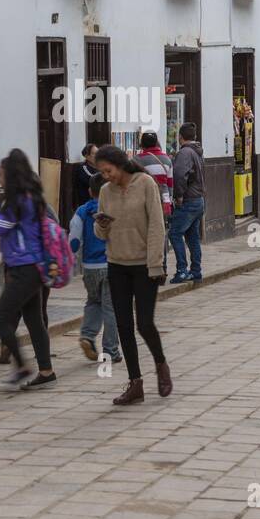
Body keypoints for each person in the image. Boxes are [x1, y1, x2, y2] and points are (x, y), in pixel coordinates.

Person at [93, 145, 171, 406]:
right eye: (102, 172)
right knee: (123, 325)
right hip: (117, 264)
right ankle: (135, 382)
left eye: (108, 170)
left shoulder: (146, 183)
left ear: (120, 164)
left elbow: (157, 226)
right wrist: (101, 225)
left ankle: (161, 365)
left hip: (145, 265)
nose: (106, 176)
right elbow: (101, 233)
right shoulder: (105, 192)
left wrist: (155, 264)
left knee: (144, 323)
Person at [0, 150, 57, 390]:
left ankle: (22, 365)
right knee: (34, 321)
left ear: (10, 175)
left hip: (24, 268)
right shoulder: (32, 197)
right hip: (34, 266)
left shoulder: (18, 202)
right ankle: (46, 371)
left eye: (0, 173)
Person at [70, 173, 121, 365]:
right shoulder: (113, 210)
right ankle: (111, 350)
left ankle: (88, 335)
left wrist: (73, 257)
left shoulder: (82, 212)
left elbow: (74, 241)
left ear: (89, 191)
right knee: (111, 308)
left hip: (89, 267)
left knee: (93, 301)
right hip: (110, 265)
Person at [168, 123, 206, 284]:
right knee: (192, 236)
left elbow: (179, 174)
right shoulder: (197, 151)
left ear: (180, 137)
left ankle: (182, 270)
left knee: (175, 233)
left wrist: (178, 195)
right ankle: (196, 270)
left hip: (189, 200)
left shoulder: (185, 153)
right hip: (198, 200)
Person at [134, 132, 174, 218]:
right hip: (163, 200)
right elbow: (170, 183)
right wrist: (169, 200)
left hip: (144, 201)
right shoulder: (167, 159)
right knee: (160, 228)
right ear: (156, 143)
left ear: (142, 144)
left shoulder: (137, 159)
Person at [72, 144, 99, 210]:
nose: (97, 156)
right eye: (94, 154)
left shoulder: (99, 167)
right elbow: (93, 181)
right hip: (87, 205)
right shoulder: (83, 168)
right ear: (87, 156)